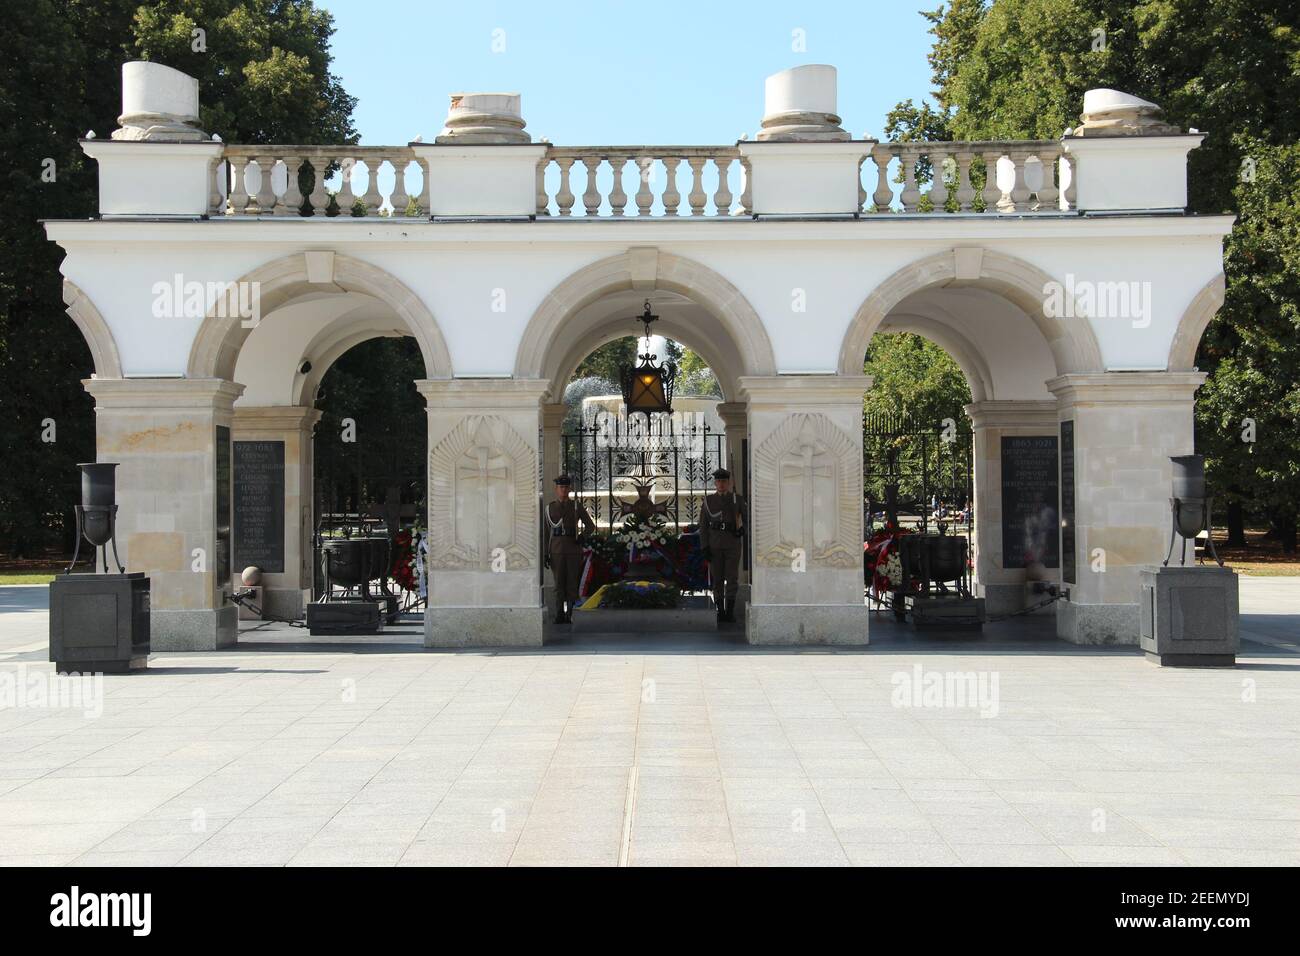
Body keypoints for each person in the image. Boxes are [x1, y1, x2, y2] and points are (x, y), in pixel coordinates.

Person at [544, 475, 595, 624]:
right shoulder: (550, 508)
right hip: (556, 550)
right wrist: (545, 554)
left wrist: (582, 537)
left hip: (573, 548)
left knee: (572, 582)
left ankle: (570, 613)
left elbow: (590, 526)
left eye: (566, 487)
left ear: (570, 489)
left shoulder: (576, 506)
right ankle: (559, 613)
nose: (564, 490)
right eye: (561, 487)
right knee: (558, 583)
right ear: (556, 489)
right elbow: (546, 532)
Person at [699, 467, 747, 623]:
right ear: (715, 483)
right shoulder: (708, 501)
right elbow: (703, 527)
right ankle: (720, 611)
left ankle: (730, 612)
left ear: (729, 483)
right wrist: (704, 547)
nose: (721, 484)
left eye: (724, 482)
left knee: (732, 578)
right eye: (719, 481)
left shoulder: (737, 499)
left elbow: (747, 520)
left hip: (732, 544)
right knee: (717, 579)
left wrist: (742, 531)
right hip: (715, 545)